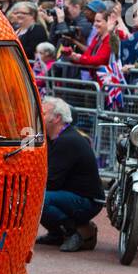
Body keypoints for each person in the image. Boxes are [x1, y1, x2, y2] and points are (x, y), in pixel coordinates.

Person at [37, 97, 106, 252]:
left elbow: (52, 182)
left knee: (39, 198)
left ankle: (75, 232)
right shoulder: (56, 138)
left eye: (44, 112)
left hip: (87, 201)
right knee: (36, 195)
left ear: (57, 118)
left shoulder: (67, 141)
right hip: (73, 194)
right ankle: (56, 234)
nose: (39, 115)